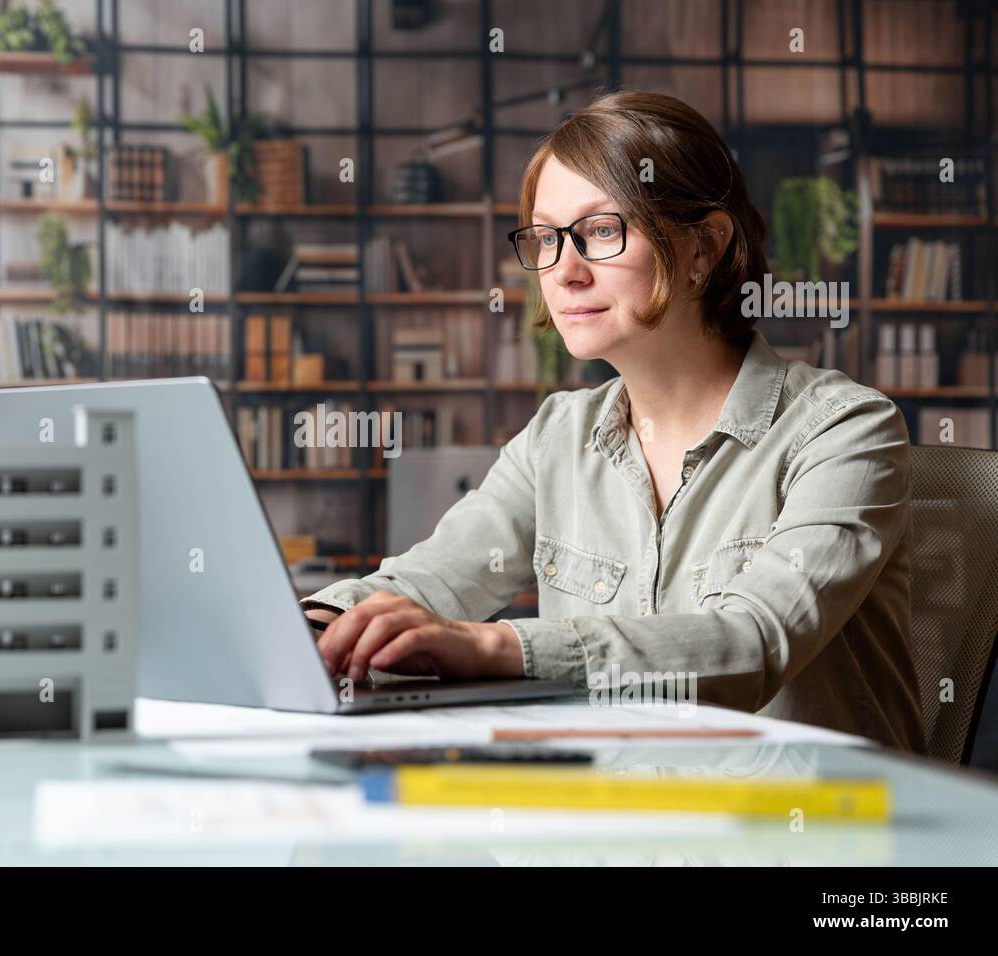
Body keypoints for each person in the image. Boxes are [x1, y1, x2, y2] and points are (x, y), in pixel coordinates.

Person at [301, 89, 925, 753]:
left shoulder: (846, 430)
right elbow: (432, 581)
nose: (564, 272)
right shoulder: (557, 437)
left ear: (704, 247)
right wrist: (319, 623)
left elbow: (754, 642)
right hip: (617, 829)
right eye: (545, 238)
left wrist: (493, 646)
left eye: (601, 231)